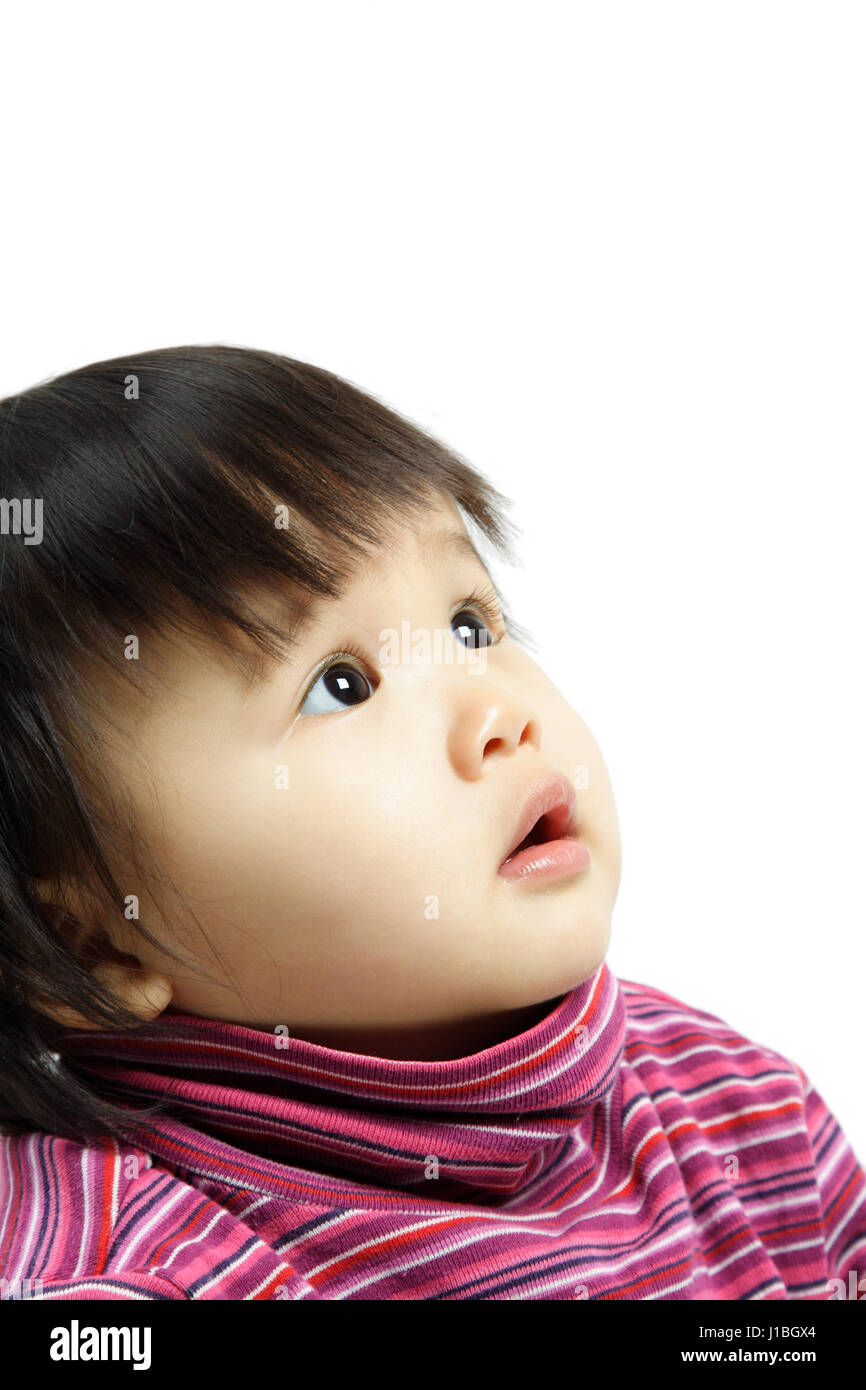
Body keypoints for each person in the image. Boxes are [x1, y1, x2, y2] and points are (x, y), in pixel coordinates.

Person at [1, 346, 863, 1300]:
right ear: (88, 944)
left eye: (469, 625)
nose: (498, 715)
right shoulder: (144, 1271)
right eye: (341, 686)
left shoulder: (735, 1109)